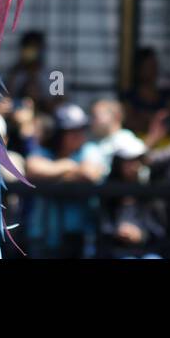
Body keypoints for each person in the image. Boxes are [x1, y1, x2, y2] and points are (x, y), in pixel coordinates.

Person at [24, 104, 105, 257]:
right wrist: (69, 165)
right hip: (44, 235)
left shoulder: (89, 150)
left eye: (81, 130)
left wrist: (52, 174)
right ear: (59, 134)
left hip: (80, 237)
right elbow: (33, 169)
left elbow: (90, 173)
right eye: (72, 131)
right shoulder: (44, 152)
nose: (79, 135)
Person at [98, 135, 166, 258]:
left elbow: (159, 230)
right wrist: (118, 233)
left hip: (148, 251)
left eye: (136, 160)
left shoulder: (150, 191)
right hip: (116, 252)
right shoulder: (108, 194)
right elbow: (104, 228)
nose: (133, 166)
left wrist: (142, 235)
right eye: (127, 161)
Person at [120, 47, 170, 136]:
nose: (153, 70)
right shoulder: (129, 97)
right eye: (148, 66)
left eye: (154, 66)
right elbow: (128, 122)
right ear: (138, 69)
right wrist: (154, 120)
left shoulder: (167, 96)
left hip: (167, 141)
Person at [5, 31, 54, 113]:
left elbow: (61, 100)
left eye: (36, 48)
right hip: (19, 112)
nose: (32, 53)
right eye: (29, 48)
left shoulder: (53, 74)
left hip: (45, 114)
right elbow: (7, 97)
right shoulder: (16, 73)